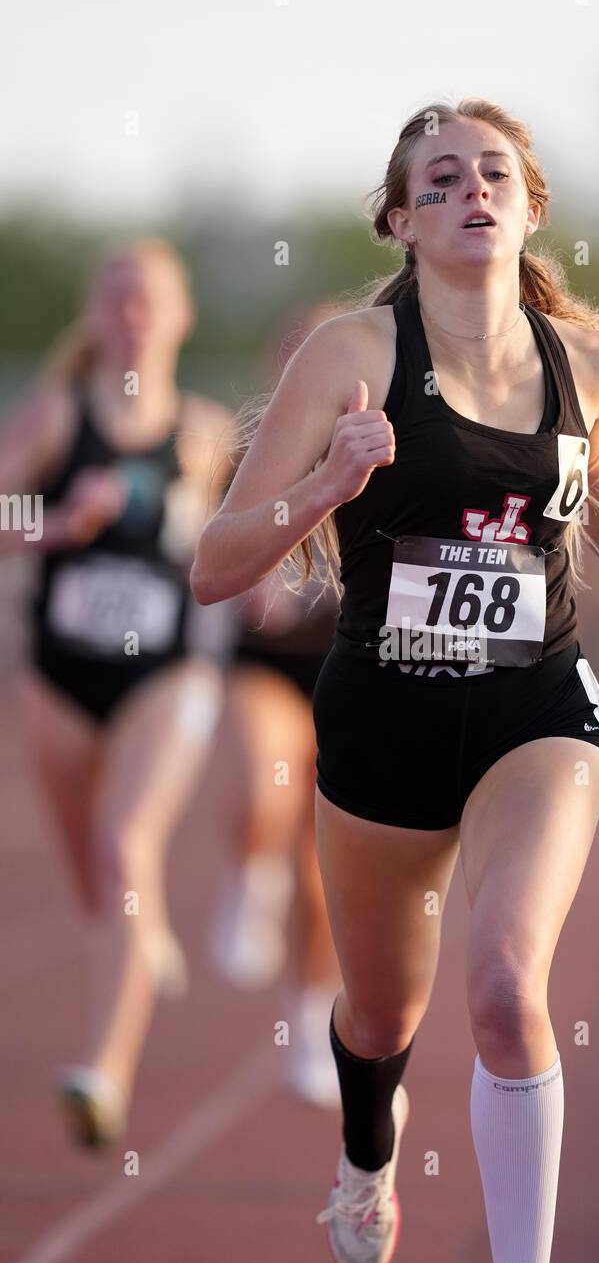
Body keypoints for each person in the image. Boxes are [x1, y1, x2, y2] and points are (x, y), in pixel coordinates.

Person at [191, 98, 599, 1263]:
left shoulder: (586, 362)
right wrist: (328, 481)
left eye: (491, 175)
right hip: (382, 719)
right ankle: (365, 1154)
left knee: (500, 984)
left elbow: (594, 491)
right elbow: (217, 564)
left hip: (537, 703)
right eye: (438, 181)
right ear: (401, 221)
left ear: (529, 207)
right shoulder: (348, 355)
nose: (469, 193)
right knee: (377, 1024)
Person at [0, 238, 235, 1147]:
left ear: (181, 317)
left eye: (150, 298)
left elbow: (235, 540)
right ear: (96, 316)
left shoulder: (208, 432)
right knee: (97, 884)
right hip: (61, 678)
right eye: (117, 296)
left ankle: (103, 1074)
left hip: (165, 678)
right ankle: (143, 935)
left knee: (123, 845)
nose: (133, 313)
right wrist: (59, 523)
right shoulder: (57, 416)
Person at [210, 301, 343, 1108]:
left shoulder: (384, 440)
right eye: (297, 353)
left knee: (322, 870)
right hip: (266, 660)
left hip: (348, 666)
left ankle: (307, 1025)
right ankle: (247, 879)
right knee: (267, 778)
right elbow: (211, 540)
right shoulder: (244, 446)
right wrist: (251, 582)